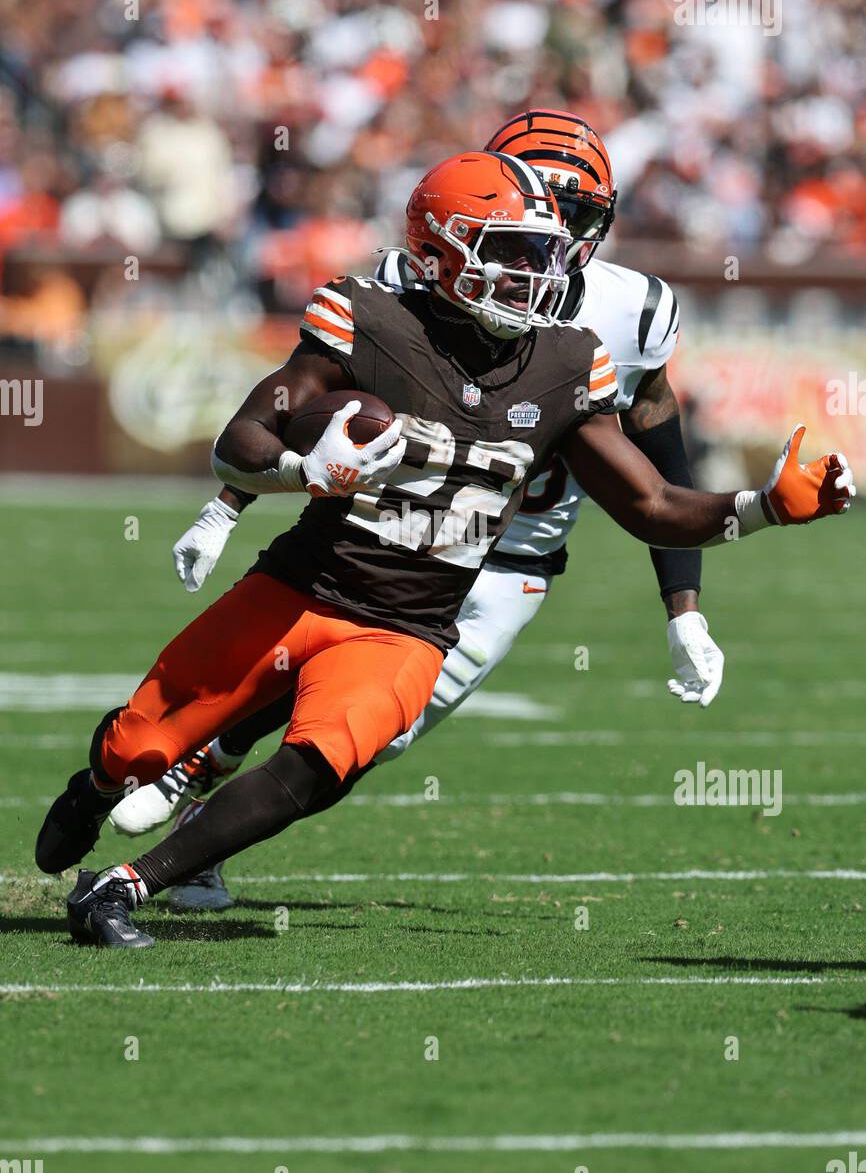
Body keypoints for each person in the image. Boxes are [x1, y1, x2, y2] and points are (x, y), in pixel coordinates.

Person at [35, 149, 854, 947]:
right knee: (137, 747)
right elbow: (243, 433)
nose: (537, 273)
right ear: (439, 251)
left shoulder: (569, 364)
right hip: (299, 588)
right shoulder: (370, 318)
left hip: (411, 626)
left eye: (544, 252)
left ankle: (127, 885)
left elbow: (651, 502)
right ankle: (98, 783)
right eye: (512, 253)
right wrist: (296, 470)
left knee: (318, 767)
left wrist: (763, 507)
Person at [119, 111, 725, 912]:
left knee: (382, 731)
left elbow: (663, 463)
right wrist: (232, 498)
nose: (561, 233)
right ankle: (206, 760)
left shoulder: (634, 308)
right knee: (301, 653)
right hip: (396, 524)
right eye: (546, 208)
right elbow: (308, 399)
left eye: (580, 215)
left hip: (514, 555)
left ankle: (208, 800)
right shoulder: (420, 281)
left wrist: (684, 608)